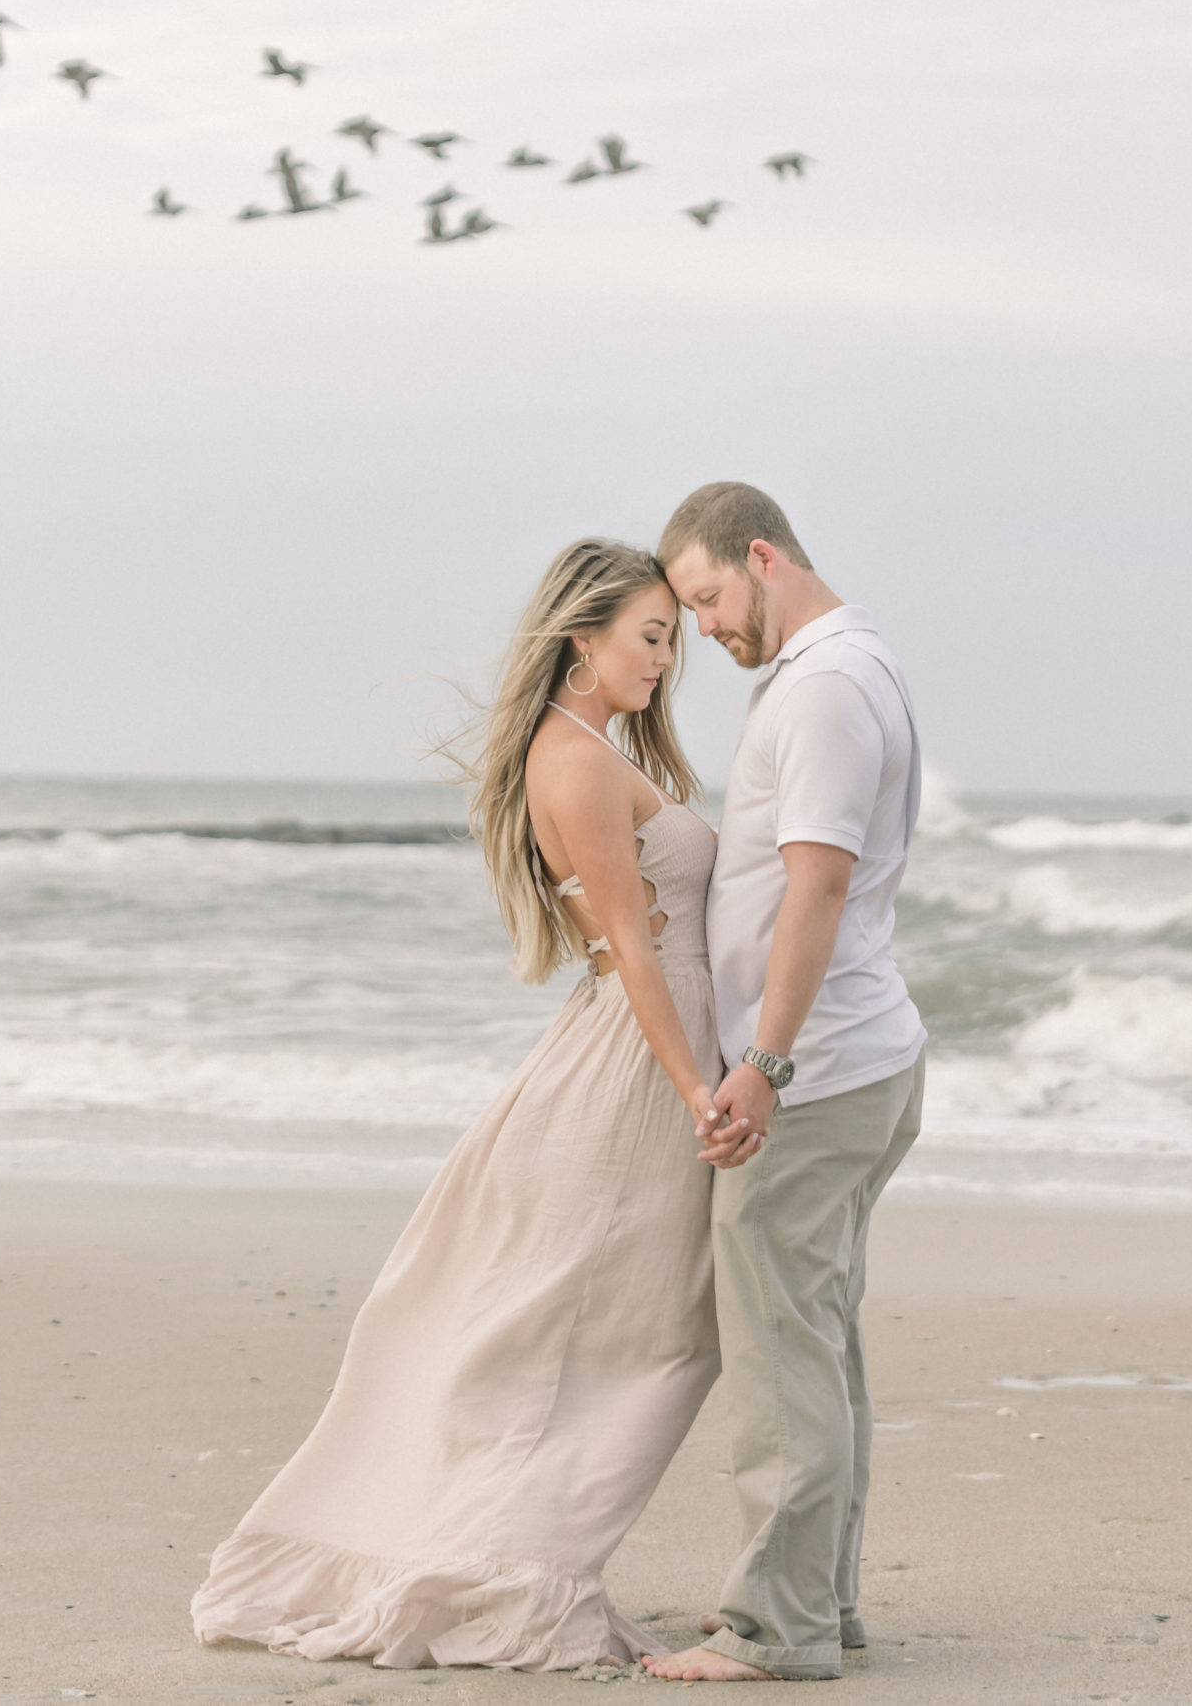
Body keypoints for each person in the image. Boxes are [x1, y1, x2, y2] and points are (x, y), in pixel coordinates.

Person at [189, 539, 760, 1671]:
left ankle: (519, 1557)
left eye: (670, 635)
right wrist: (696, 1081)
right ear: (582, 635)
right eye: (649, 634)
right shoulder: (577, 761)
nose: (666, 656)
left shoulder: (589, 746)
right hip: (639, 1067)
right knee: (638, 1328)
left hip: (644, 1053)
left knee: (633, 1327)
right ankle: (513, 1571)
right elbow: (635, 954)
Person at [644, 482, 928, 1684]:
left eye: (708, 598)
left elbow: (816, 886)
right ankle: (822, 1605)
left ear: (761, 557)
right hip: (859, 1060)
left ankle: (778, 1627)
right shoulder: (847, 668)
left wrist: (762, 1061)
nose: (703, 629)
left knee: (778, 1357)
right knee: (815, 1345)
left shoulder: (819, 689)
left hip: (813, 1078)